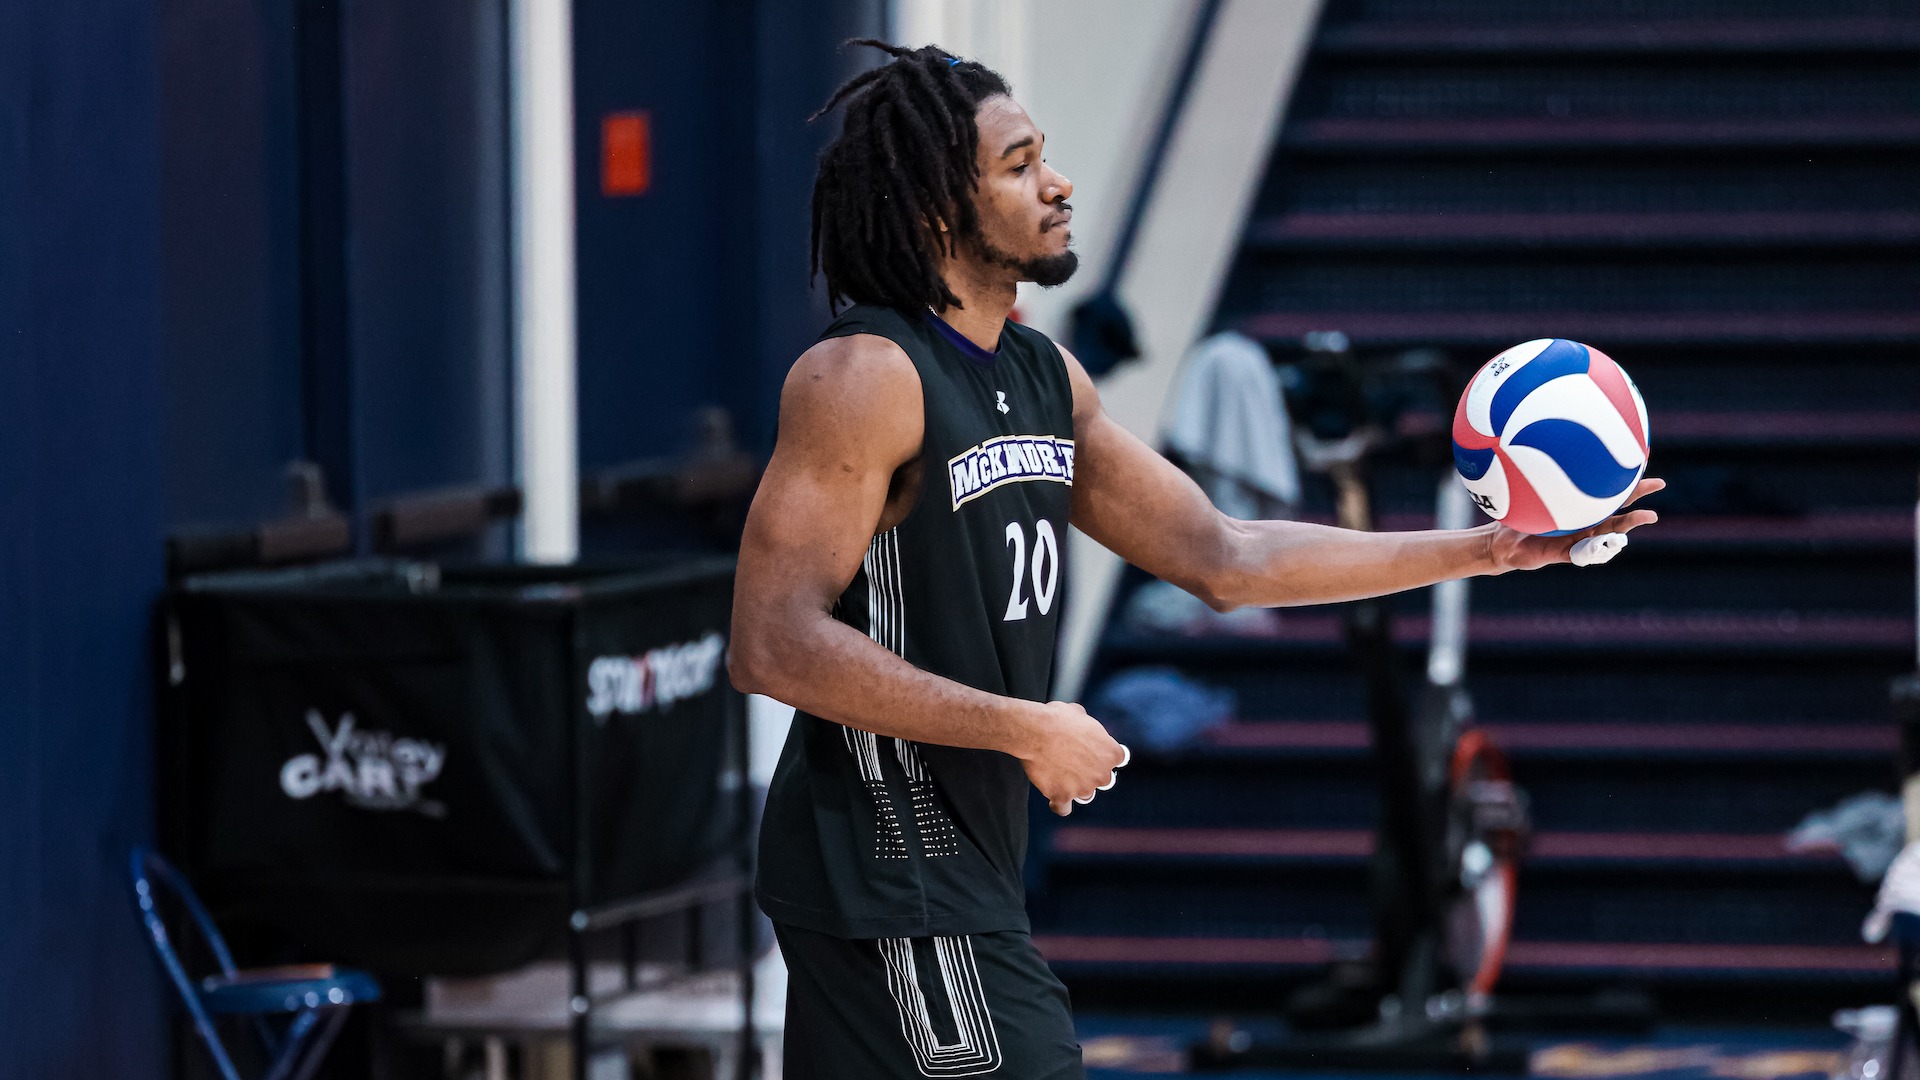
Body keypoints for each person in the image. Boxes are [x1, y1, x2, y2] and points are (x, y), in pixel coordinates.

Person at [729, 41, 1661, 1080]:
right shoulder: (863, 376)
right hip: (892, 868)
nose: (1059, 182)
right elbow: (771, 640)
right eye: (1020, 165)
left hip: (957, 873)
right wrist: (1023, 726)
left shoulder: (1044, 377)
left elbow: (1227, 554)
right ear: (938, 214)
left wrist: (1492, 551)